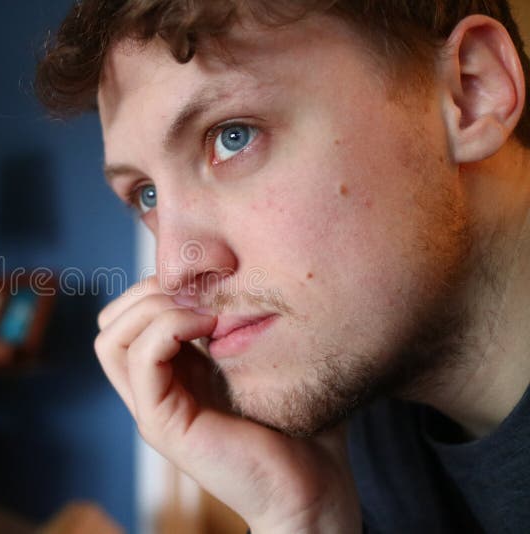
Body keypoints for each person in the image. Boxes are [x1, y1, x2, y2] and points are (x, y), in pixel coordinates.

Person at [35, 1, 530, 532]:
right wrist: (300, 516)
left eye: (233, 135)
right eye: (147, 194)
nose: (175, 270)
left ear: (471, 92)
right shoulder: (355, 424)